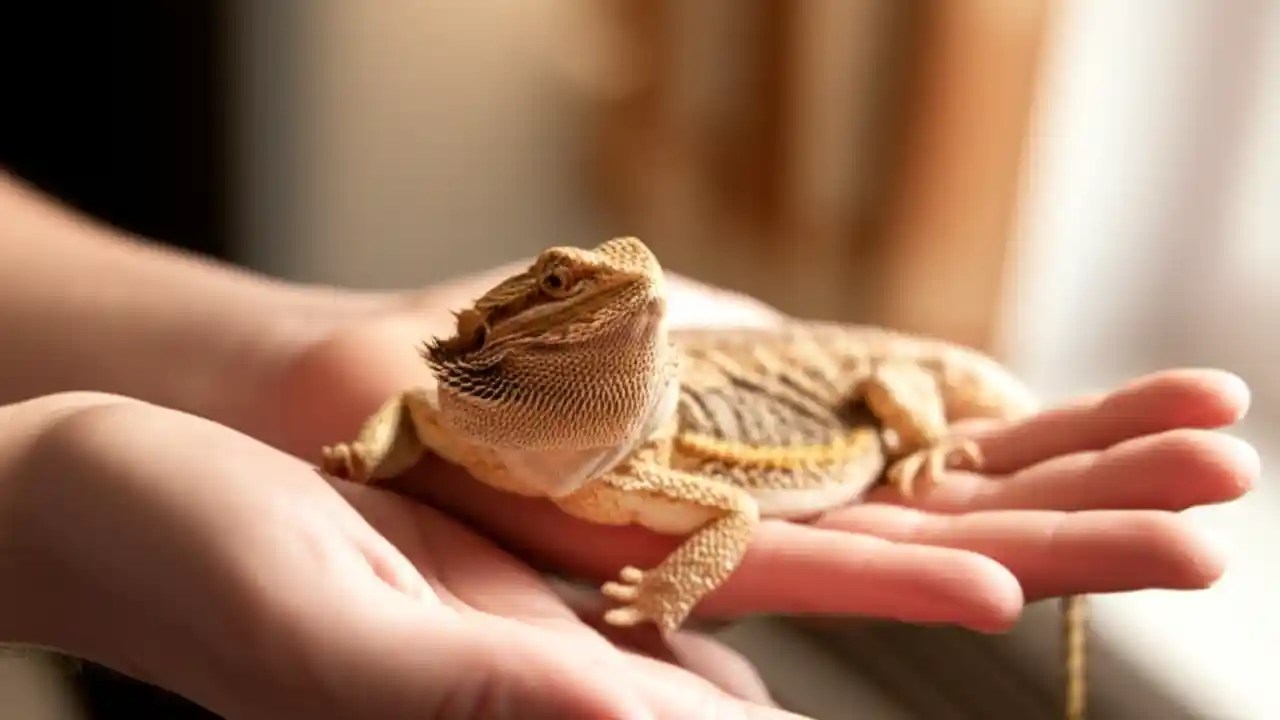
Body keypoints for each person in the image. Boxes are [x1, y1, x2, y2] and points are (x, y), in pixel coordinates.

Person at [0, 169, 1258, 719]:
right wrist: (353, 434)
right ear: (502, 323)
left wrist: (285, 362)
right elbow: (404, 411)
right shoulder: (454, 409)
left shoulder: (625, 459)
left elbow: (724, 519)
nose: (613, 293)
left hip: (878, 386)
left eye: (622, 295)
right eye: (564, 284)